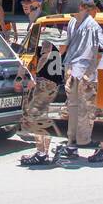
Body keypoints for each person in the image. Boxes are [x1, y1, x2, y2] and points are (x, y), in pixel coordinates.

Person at [56, 0, 103, 163]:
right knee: (86, 111)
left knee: (73, 109)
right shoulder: (94, 26)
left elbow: (63, 47)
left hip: (71, 72)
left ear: (80, 7)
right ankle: (84, 141)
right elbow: (102, 50)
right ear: (93, 10)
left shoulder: (72, 22)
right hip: (86, 74)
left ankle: (71, 145)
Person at [15, 27, 65, 166]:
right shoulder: (57, 42)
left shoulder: (47, 44)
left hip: (44, 84)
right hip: (52, 83)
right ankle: (44, 152)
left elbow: (45, 56)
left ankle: (41, 153)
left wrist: (35, 77)